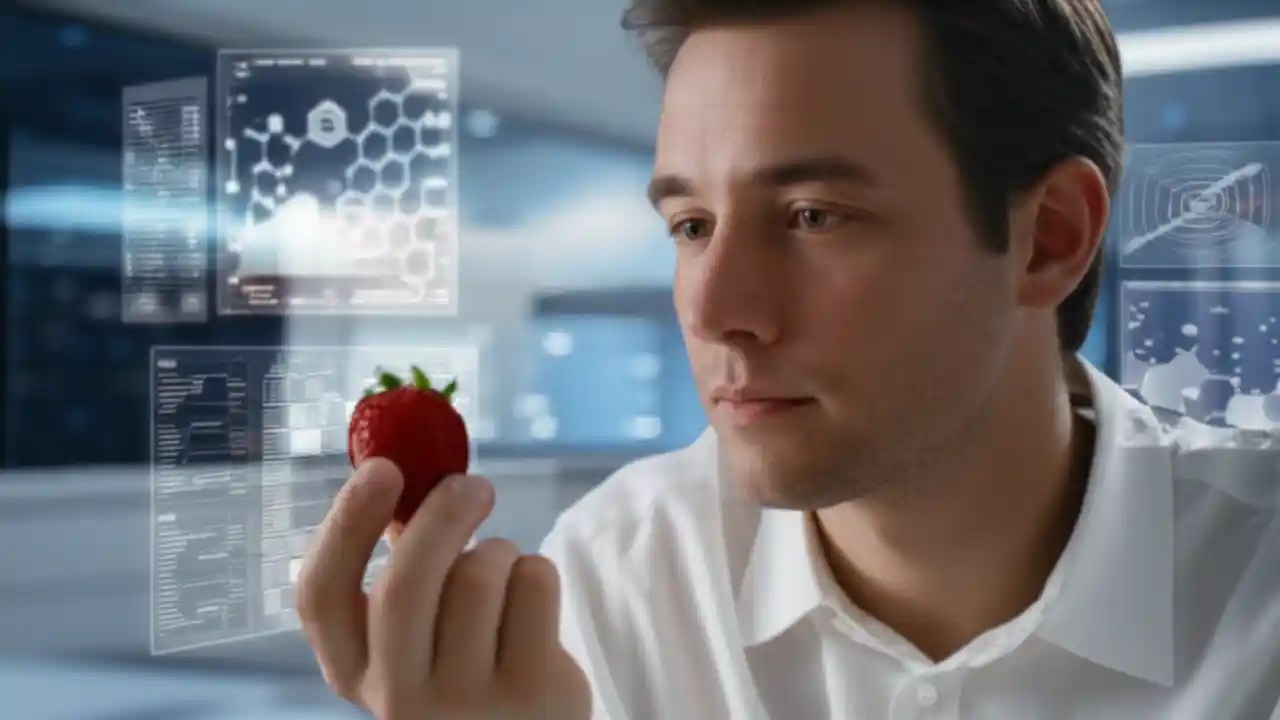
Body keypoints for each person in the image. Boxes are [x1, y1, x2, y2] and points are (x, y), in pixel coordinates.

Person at [296, 0, 1280, 717]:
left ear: (1049, 238)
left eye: (812, 216)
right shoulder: (615, 577)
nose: (717, 310)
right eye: (689, 225)